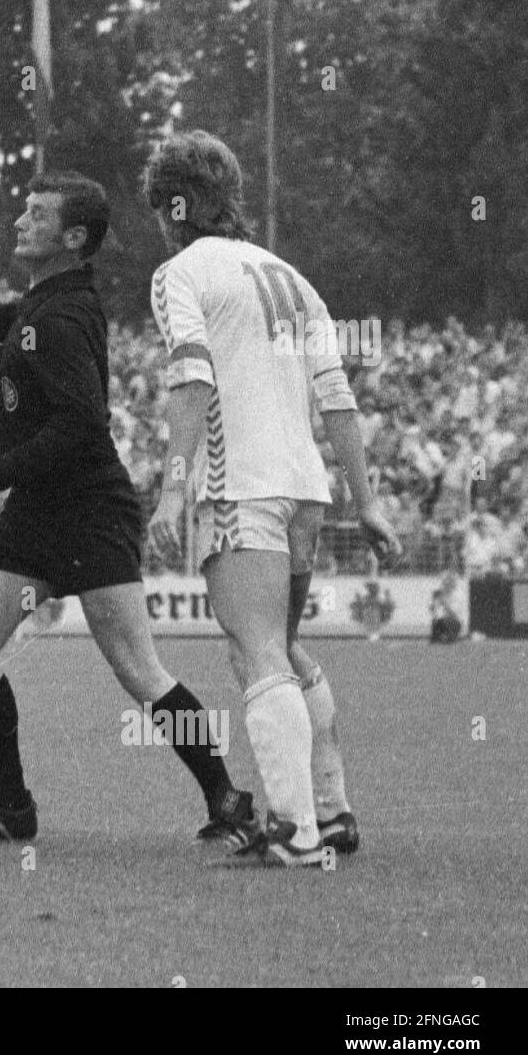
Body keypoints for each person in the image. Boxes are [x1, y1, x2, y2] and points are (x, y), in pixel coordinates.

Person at [0, 170, 251, 845]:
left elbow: (82, 423)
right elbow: (10, 323)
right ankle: (12, 805)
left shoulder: (66, 313)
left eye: (36, 213)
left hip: (90, 510)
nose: (20, 220)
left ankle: (226, 794)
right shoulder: (47, 302)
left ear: (73, 237)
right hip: (37, 511)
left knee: (139, 670)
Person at [142, 129, 402, 867]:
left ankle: (292, 830)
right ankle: (332, 810)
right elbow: (337, 397)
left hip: (240, 485)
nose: (161, 221)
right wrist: (369, 501)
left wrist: (171, 491)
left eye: (162, 207)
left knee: (255, 652)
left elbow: (192, 379)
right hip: (304, 489)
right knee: (281, 647)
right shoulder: (292, 277)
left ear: (177, 206)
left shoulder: (180, 274)